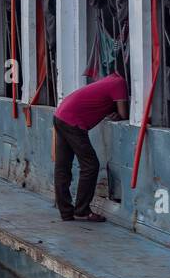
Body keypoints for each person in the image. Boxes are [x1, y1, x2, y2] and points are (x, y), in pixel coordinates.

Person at [53, 72, 128, 223]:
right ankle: (82, 210)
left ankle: (66, 211)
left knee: (62, 167)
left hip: (60, 115)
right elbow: (124, 114)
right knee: (90, 165)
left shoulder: (109, 80)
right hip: (73, 122)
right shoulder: (120, 83)